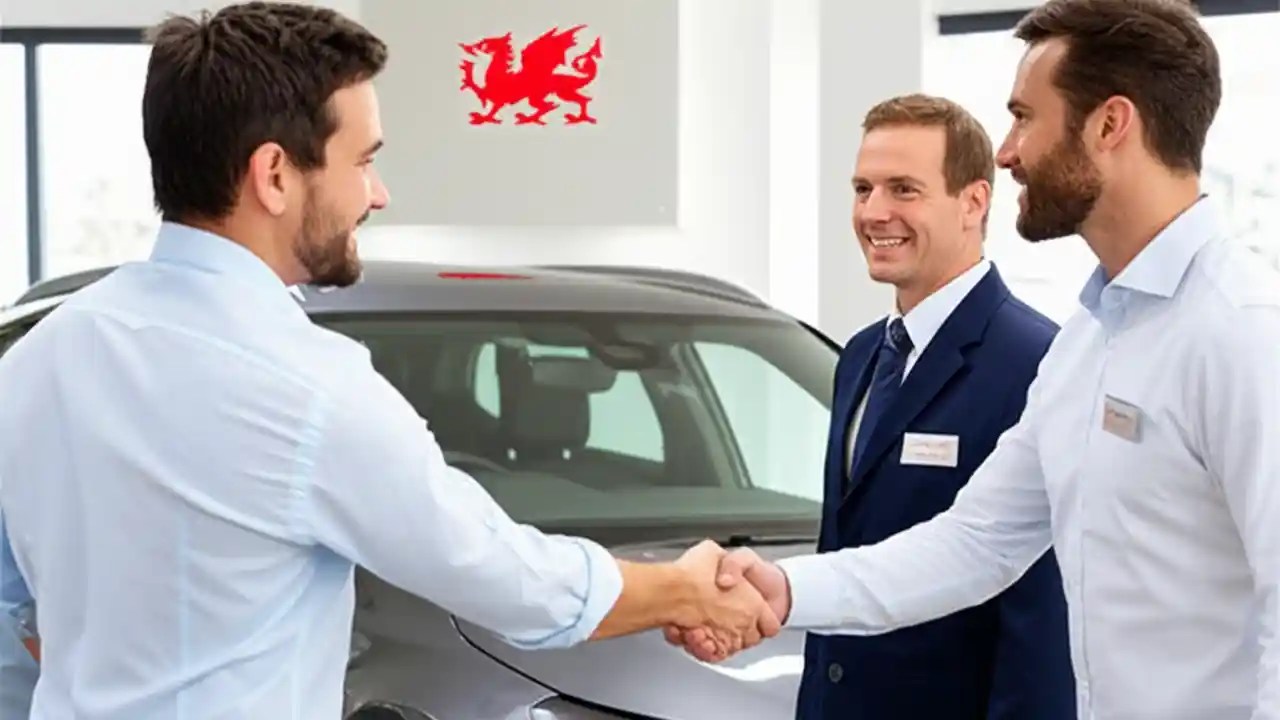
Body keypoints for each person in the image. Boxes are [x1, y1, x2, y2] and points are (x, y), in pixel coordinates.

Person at [0, 3, 776, 717]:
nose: (378, 192)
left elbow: (9, 604)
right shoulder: (307, 387)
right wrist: (680, 588)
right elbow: (506, 581)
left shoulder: (37, 360)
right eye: (362, 159)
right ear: (274, 175)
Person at [672, 0, 1280, 717]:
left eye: (1025, 116)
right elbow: (977, 543)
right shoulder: (1087, 342)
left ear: (1110, 125)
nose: (1006, 150)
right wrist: (786, 589)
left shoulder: (1245, 334)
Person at [791, 93, 1075, 720]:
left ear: (974, 201)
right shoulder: (862, 356)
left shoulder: (1038, 362)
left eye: (903, 190)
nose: (873, 212)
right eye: (863, 189)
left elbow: (1042, 613)